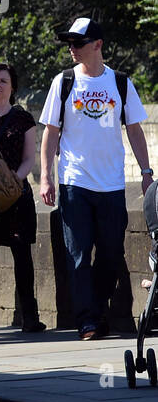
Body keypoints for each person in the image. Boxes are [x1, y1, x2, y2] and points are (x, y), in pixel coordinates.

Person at [39, 17, 152, 340]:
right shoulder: (62, 82)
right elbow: (51, 132)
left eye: (78, 43)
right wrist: (46, 176)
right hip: (74, 181)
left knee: (111, 253)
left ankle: (98, 311)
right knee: (77, 254)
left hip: (113, 184)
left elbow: (134, 128)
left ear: (98, 45)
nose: (71, 49)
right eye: (69, 44)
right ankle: (88, 320)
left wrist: (146, 173)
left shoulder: (119, 83)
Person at [0, 62, 44, 332]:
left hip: (17, 195)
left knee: (22, 255)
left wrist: (14, 181)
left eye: (3, 81)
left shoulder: (23, 118)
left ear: (13, 87)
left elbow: (30, 157)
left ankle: (29, 317)